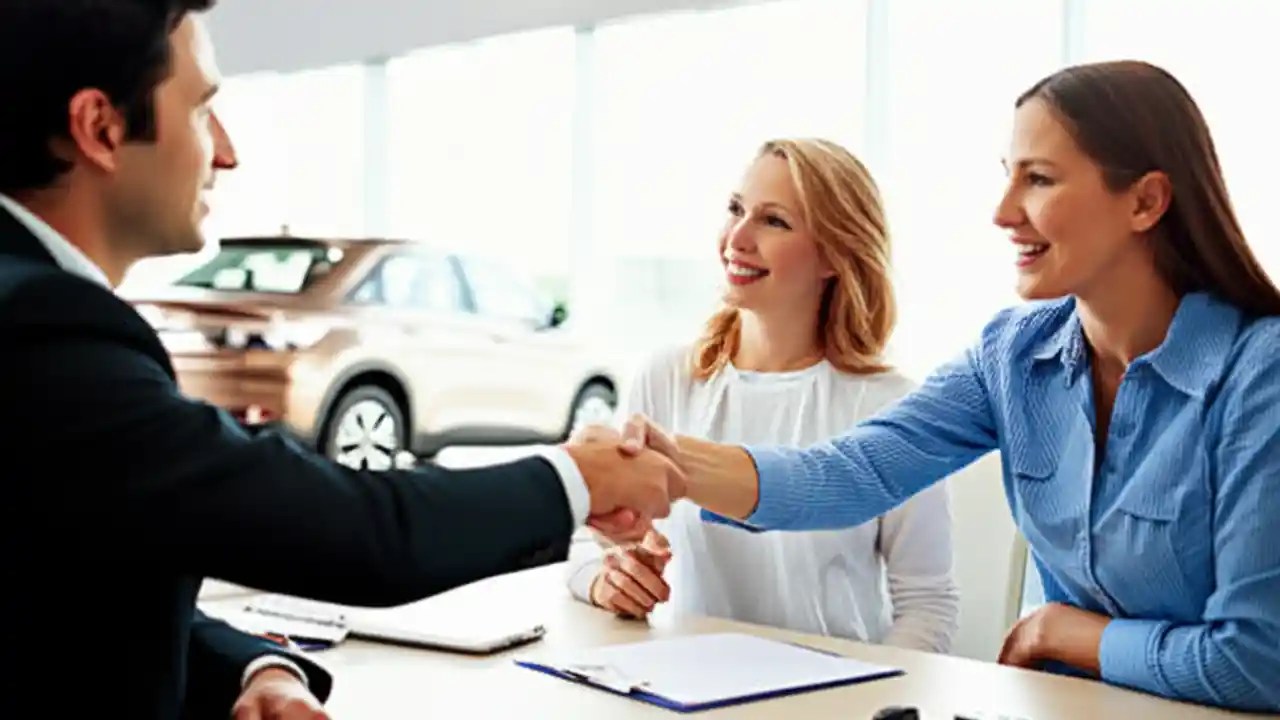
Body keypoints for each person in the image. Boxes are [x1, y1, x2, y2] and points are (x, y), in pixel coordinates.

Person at [0, 3, 681, 719]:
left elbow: (105, 570)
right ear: (101, 129)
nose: (226, 152)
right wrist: (577, 476)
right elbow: (350, 528)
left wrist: (256, 668)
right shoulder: (41, 329)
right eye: (203, 110)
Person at [609, 60, 1280, 713]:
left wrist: (1067, 633)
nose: (1002, 211)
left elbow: (1256, 661)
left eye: (1039, 179)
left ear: (1145, 201)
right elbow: (848, 473)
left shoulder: (1260, 373)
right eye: (1006, 177)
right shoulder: (1012, 354)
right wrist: (667, 459)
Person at [565, 139, 959, 652]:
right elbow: (585, 544)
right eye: (735, 210)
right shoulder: (666, 378)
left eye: (774, 221)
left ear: (835, 254)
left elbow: (930, 606)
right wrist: (605, 580)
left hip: (833, 696)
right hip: (684, 689)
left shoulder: (890, 407)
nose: (737, 237)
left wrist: (873, 703)